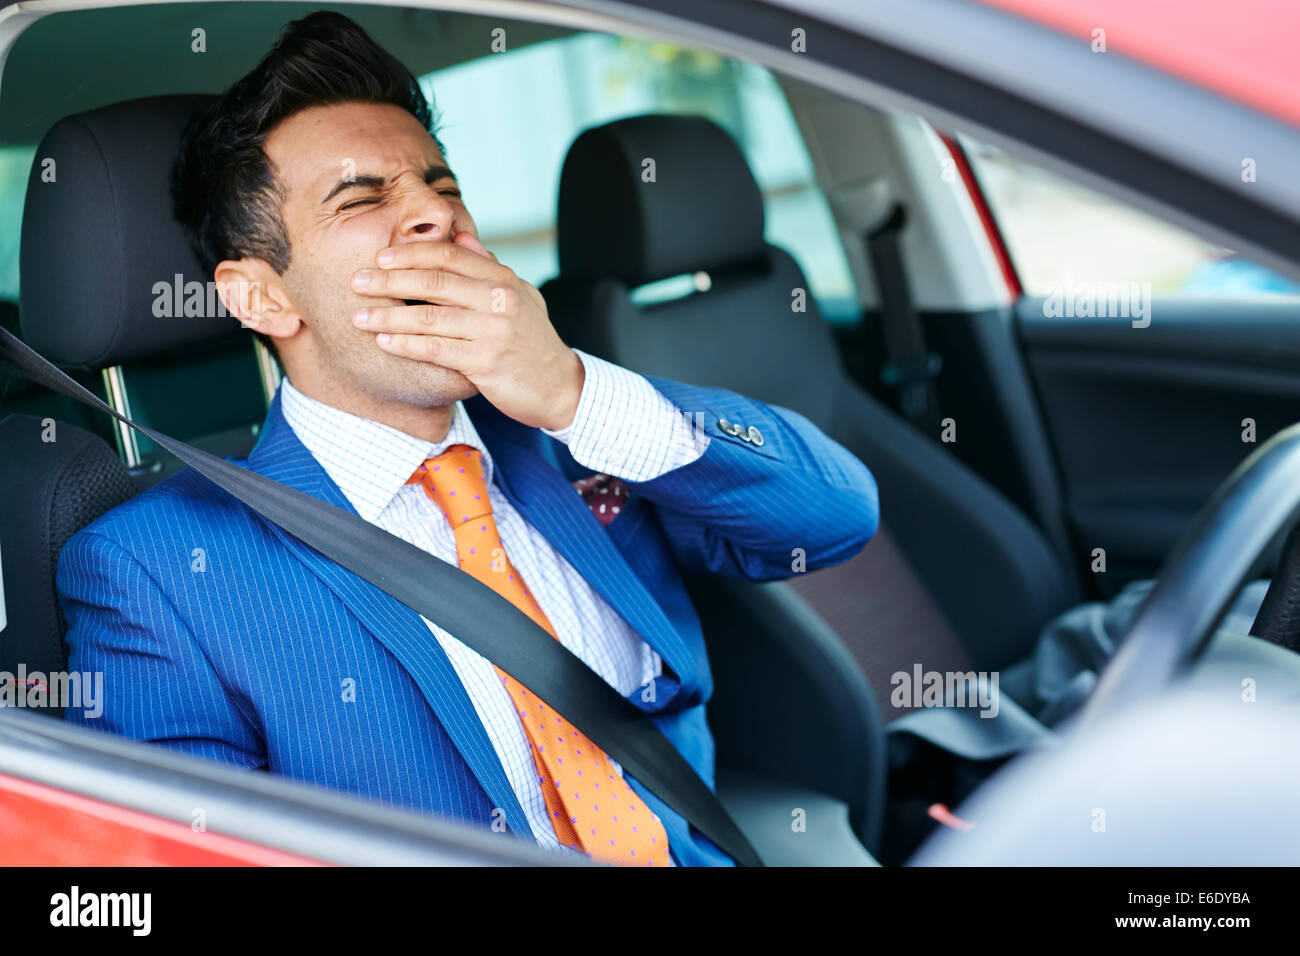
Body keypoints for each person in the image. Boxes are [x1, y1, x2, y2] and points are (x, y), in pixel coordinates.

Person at [56, 11, 879, 867]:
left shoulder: (582, 435)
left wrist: (570, 391)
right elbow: (171, 862)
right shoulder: (156, 571)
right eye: (363, 198)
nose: (434, 216)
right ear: (262, 299)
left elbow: (835, 517)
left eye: (442, 187)